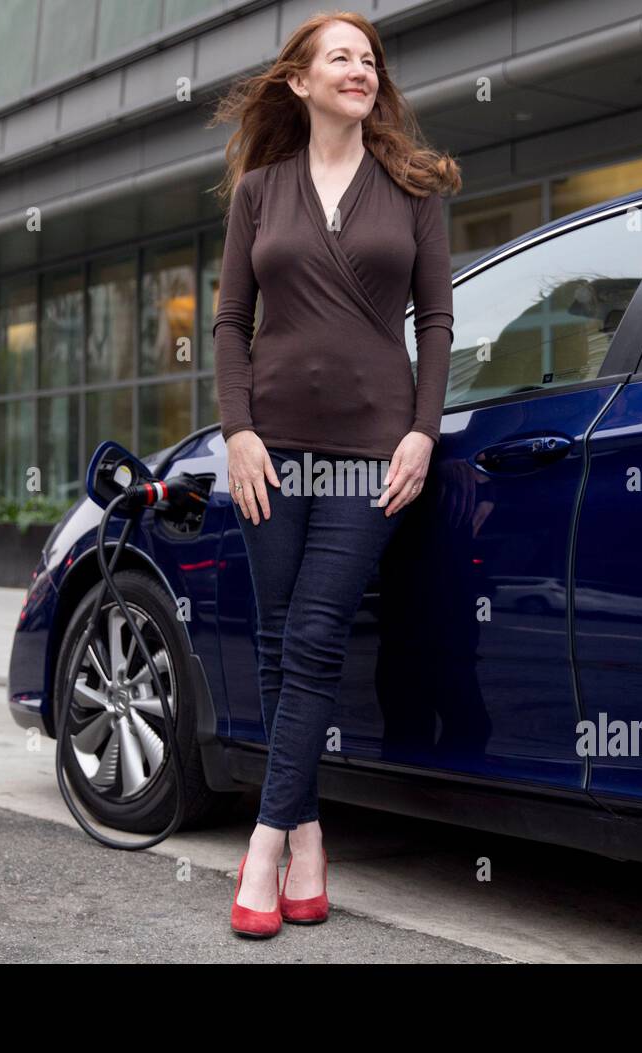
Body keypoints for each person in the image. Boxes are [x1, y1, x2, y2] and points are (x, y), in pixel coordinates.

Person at [209, 9, 459, 937]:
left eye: (370, 58)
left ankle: (266, 844)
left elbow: (434, 323)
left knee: (313, 636)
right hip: (270, 447)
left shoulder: (416, 187)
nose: (359, 68)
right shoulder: (259, 193)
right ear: (301, 82)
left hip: (369, 453)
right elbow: (231, 322)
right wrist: (238, 432)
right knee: (280, 645)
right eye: (339, 57)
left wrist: (422, 432)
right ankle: (310, 840)